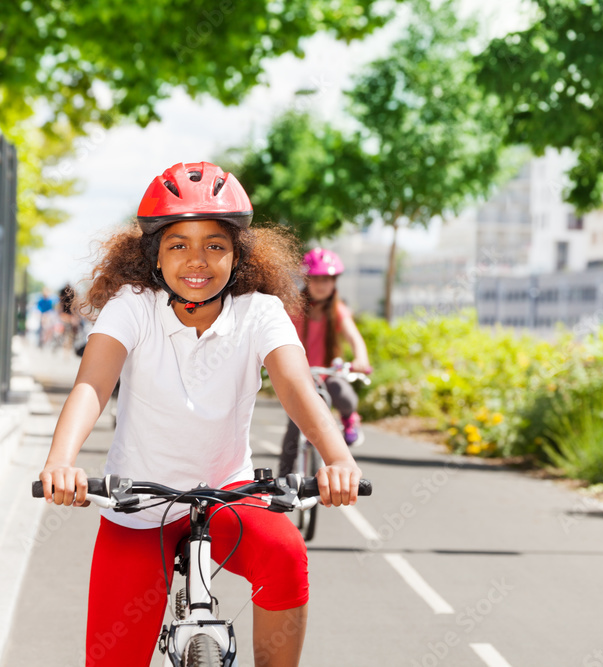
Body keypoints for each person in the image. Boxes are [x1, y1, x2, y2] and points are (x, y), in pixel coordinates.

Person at [37, 162, 362, 667]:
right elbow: (92, 386)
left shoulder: (260, 312)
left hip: (231, 494)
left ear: (238, 254)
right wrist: (61, 460)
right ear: (154, 257)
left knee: (287, 556)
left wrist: (337, 458)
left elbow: (298, 388)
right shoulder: (133, 305)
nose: (197, 260)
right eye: (177, 244)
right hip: (137, 503)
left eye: (215, 244)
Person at [278, 248, 371, 478]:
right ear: (307, 280)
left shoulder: (337, 310)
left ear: (334, 282)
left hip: (327, 374)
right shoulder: (293, 307)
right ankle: (283, 483)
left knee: (345, 395)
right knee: (293, 432)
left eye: (328, 279)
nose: (322, 285)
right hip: (300, 378)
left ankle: (350, 418)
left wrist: (360, 359)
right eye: (316, 279)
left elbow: (354, 338)